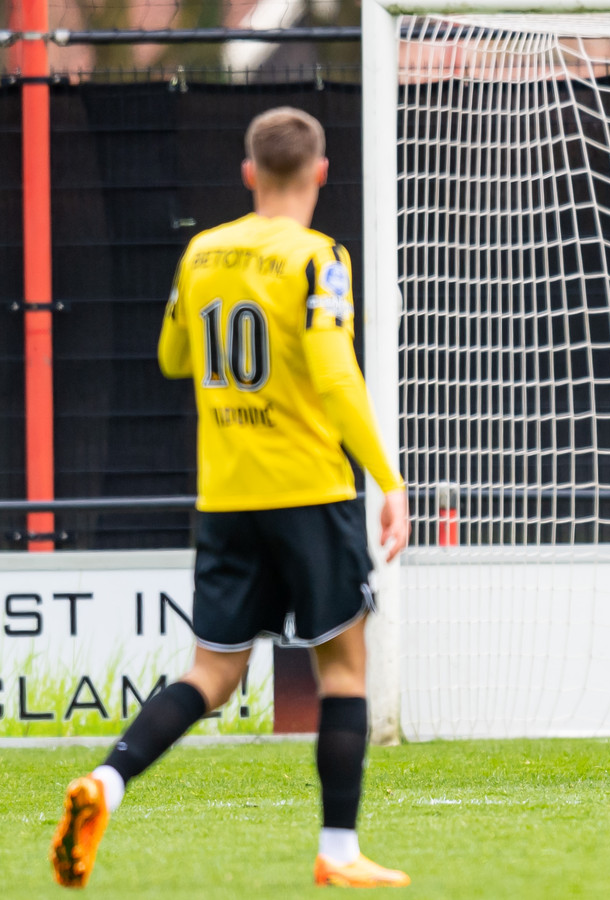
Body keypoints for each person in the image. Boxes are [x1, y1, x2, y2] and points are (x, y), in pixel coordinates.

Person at [50, 107, 412, 888]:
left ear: (249, 175)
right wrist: (388, 479)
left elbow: (174, 357)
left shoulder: (202, 253)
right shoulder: (320, 257)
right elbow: (336, 375)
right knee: (344, 671)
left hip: (226, 498)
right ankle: (339, 853)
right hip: (309, 489)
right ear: (319, 173)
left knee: (210, 676)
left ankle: (104, 784)